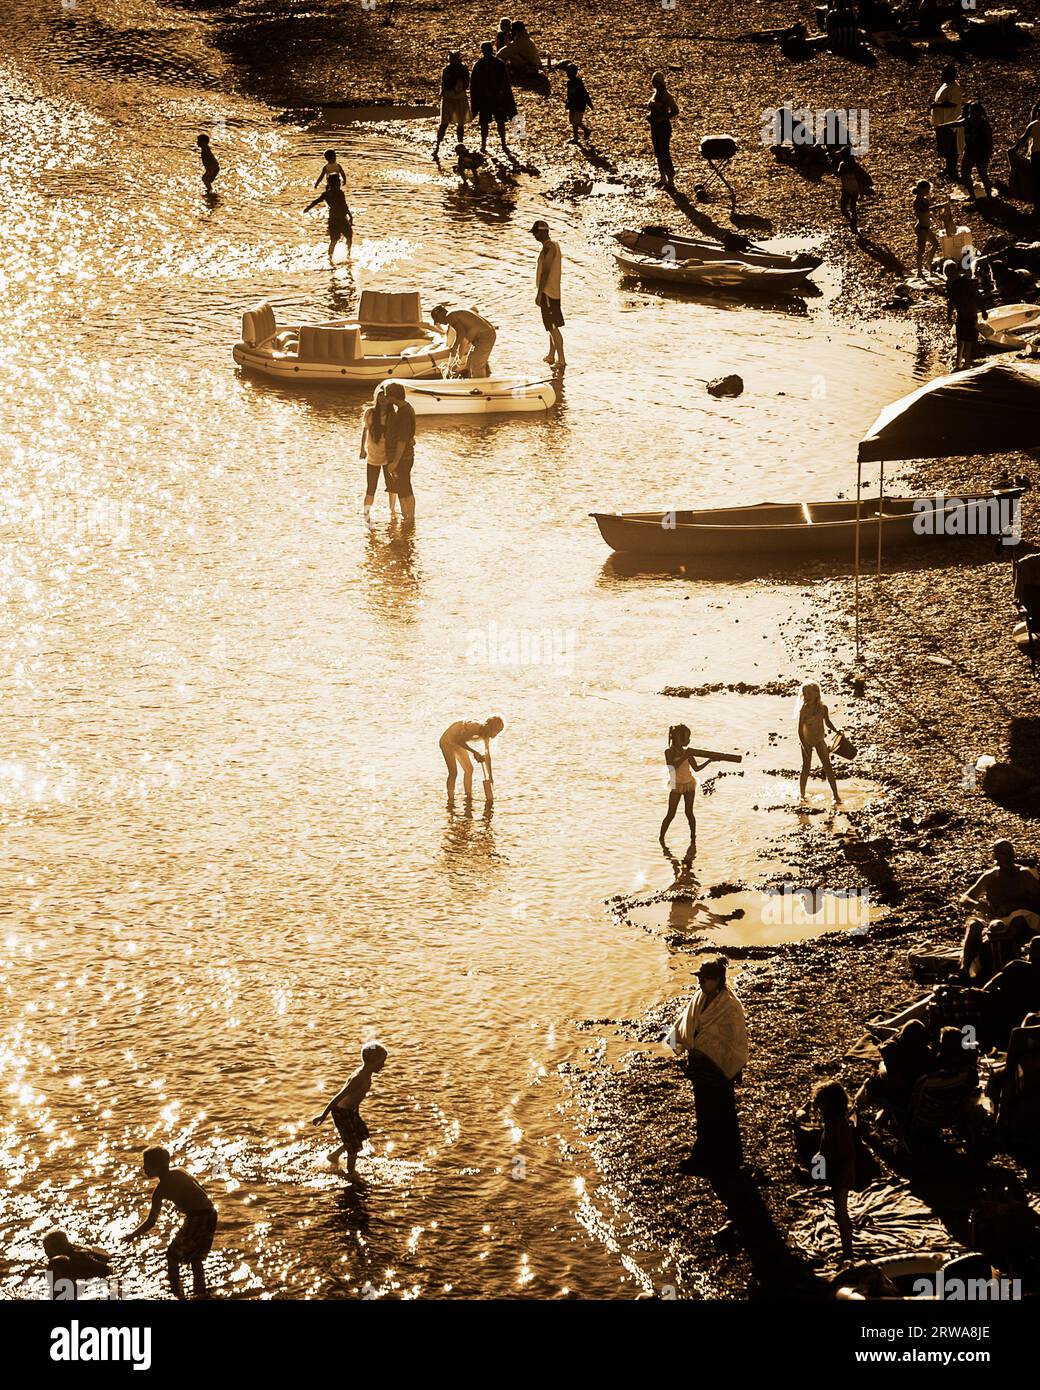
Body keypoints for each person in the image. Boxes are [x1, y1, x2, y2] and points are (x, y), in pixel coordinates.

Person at [672, 957, 748, 1175]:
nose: (700, 983)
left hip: (720, 1068)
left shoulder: (730, 1006)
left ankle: (730, 1160)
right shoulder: (699, 998)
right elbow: (684, 1022)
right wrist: (675, 1042)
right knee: (704, 1113)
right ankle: (704, 1156)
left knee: (723, 1113)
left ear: (717, 980)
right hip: (700, 1066)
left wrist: (735, 1068)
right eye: (700, 979)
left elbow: (736, 1040)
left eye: (704, 980)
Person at [124, 1147, 217, 1300]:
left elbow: (151, 1221)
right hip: (210, 1213)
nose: (143, 1168)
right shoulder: (180, 1172)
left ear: (157, 1167)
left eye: (146, 1165)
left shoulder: (161, 1190)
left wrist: (133, 1235)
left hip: (198, 1217)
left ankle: (176, 1293)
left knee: (172, 1255)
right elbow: (201, 1191)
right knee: (196, 1256)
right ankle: (200, 1292)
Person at [312, 1041, 388, 1178]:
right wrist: (323, 1116)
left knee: (360, 1135)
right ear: (373, 1061)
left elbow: (356, 1097)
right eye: (381, 1062)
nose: (383, 1065)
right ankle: (351, 1174)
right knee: (353, 1147)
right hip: (341, 1112)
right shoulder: (359, 1078)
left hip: (350, 1111)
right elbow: (338, 1097)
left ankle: (334, 1156)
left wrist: (356, 1113)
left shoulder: (366, 1074)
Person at [811, 1081, 856, 1262]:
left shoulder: (837, 1124)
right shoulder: (831, 1121)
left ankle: (848, 1253)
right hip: (836, 1170)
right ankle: (848, 1248)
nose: (818, 1106)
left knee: (840, 1214)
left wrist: (844, 1176)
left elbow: (848, 1154)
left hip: (841, 1174)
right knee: (840, 1213)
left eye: (821, 1102)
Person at [659, 723, 715, 850]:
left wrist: (709, 760)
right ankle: (661, 839)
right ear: (677, 738)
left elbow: (696, 768)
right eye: (686, 737)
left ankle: (693, 838)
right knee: (671, 814)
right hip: (676, 785)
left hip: (689, 784)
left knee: (689, 812)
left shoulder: (688, 753)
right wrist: (685, 755)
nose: (688, 740)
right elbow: (671, 768)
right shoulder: (668, 752)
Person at [982, 937, 1040, 1048]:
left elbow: (988, 987)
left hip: (1004, 1018)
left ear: (1030, 950)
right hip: (1030, 1025)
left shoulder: (1016, 965)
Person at [439, 717, 504, 802]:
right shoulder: (476, 728)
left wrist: (490, 776)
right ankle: (451, 799)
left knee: (469, 769)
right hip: (447, 741)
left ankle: (468, 796)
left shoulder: (486, 735)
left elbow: (487, 755)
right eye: (497, 731)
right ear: (491, 728)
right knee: (453, 772)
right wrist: (475, 752)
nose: (496, 735)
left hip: (457, 742)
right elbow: (459, 740)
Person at [470, 42, 516, 155]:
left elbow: (474, 86)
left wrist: (475, 104)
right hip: (496, 98)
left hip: (488, 98)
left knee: (487, 123)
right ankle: (502, 144)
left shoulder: (479, 65)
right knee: (499, 122)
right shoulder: (498, 63)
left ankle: (485, 145)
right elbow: (506, 83)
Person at [798, 682, 840, 803]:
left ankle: (836, 795)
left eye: (809, 693)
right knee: (806, 767)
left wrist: (836, 731)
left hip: (819, 740)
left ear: (817, 694)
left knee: (828, 767)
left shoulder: (823, 708)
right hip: (807, 741)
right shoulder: (804, 710)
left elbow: (827, 722)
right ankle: (802, 794)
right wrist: (804, 744)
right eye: (804, 694)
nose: (806, 696)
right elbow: (800, 729)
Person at [531, 219, 565, 369]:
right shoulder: (553, 245)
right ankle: (552, 355)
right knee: (552, 325)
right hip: (553, 292)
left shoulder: (548, 248)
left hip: (548, 293)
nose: (534, 236)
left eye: (536, 232)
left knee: (552, 327)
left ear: (543, 231)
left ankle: (562, 359)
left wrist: (539, 294)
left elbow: (545, 272)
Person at [382, 382, 417, 521]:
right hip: (407, 455)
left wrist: (395, 462)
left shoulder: (403, 413)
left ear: (393, 396)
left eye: (388, 396)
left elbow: (401, 441)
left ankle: (408, 518)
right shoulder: (407, 408)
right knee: (405, 486)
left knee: (404, 488)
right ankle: (408, 518)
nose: (386, 399)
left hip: (403, 457)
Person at [431, 304, 497, 378]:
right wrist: (456, 360)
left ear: (440, 315)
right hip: (482, 336)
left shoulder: (449, 316)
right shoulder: (454, 314)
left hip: (485, 336)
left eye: (438, 320)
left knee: (476, 364)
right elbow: (462, 339)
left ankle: (482, 385)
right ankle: (468, 380)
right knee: (470, 360)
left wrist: (454, 347)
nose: (439, 323)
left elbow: (461, 333)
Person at [43, 1229, 113, 1299]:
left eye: (46, 1249)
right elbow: (106, 1260)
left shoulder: (57, 1263)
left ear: (52, 1250)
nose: (46, 1253)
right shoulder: (82, 1252)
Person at [943, 259, 986, 371]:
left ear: (955, 272)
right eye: (947, 275)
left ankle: (966, 363)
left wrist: (983, 310)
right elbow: (950, 301)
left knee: (969, 339)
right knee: (960, 338)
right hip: (961, 314)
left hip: (970, 313)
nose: (949, 277)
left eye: (950, 274)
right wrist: (949, 314)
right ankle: (958, 364)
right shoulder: (949, 284)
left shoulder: (964, 282)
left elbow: (976, 295)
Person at [361, 387, 396, 522]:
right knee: (371, 487)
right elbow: (365, 431)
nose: (383, 399)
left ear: (389, 399)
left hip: (388, 457)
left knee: (392, 485)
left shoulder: (393, 415)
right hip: (373, 456)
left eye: (386, 397)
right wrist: (362, 449)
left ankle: (392, 511)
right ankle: (366, 514)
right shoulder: (369, 413)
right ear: (377, 398)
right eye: (380, 396)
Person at [303, 173, 353, 263]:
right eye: (338, 182)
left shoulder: (327, 194)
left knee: (334, 240)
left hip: (333, 218)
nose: (340, 183)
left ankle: (330, 259)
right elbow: (344, 205)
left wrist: (308, 208)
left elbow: (316, 201)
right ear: (336, 184)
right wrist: (350, 215)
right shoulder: (340, 193)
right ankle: (348, 255)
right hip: (341, 218)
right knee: (348, 236)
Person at [434, 51, 470, 158]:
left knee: (444, 124)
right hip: (459, 97)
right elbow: (466, 84)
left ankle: (437, 147)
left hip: (449, 98)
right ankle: (460, 145)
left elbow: (444, 84)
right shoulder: (463, 69)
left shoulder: (447, 70)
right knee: (459, 124)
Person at [931, 64, 963, 180]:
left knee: (952, 148)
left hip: (951, 121)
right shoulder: (946, 85)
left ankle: (952, 170)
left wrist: (937, 105)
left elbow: (953, 103)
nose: (942, 75)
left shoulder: (954, 87)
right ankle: (948, 168)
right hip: (942, 121)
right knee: (945, 147)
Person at [648, 72, 679, 189]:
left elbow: (675, 110)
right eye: (653, 82)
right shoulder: (655, 95)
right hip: (654, 127)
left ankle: (670, 180)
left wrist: (663, 118)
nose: (654, 84)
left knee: (665, 152)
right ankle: (662, 178)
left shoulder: (666, 96)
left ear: (661, 83)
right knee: (658, 152)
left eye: (656, 82)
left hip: (663, 127)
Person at [1010, 102, 1040, 218]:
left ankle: (1037, 209)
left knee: (1037, 183)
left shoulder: (1033, 125)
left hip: (1037, 157)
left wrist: (1013, 150)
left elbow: (1023, 139)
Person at [957, 103, 993, 199]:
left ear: (979, 113)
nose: (972, 114)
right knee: (965, 172)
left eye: (974, 112)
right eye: (970, 112)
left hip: (982, 152)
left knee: (983, 175)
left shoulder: (984, 124)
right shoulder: (967, 121)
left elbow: (990, 140)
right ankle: (972, 195)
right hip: (969, 151)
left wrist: (989, 153)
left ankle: (989, 195)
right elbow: (955, 123)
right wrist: (942, 126)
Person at [912, 179, 942, 277]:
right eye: (926, 190)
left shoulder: (925, 200)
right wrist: (938, 206)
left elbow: (929, 212)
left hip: (926, 227)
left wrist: (935, 219)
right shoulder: (916, 202)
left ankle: (928, 262)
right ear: (921, 189)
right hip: (921, 228)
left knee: (935, 244)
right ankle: (919, 272)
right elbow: (925, 210)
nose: (928, 192)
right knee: (921, 250)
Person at [836, 148, 863, 234]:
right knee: (848, 208)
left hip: (850, 189)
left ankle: (853, 221)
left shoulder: (846, 165)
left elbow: (838, 174)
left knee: (848, 208)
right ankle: (852, 222)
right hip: (850, 189)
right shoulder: (848, 165)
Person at [564, 62, 592, 142]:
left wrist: (589, 103)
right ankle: (586, 131)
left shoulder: (578, 82)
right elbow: (569, 94)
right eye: (567, 73)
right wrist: (567, 103)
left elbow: (584, 93)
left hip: (579, 105)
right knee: (574, 121)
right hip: (572, 105)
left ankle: (576, 137)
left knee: (576, 122)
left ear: (574, 73)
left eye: (569, 73)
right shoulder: (569, 83)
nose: (568, 74)